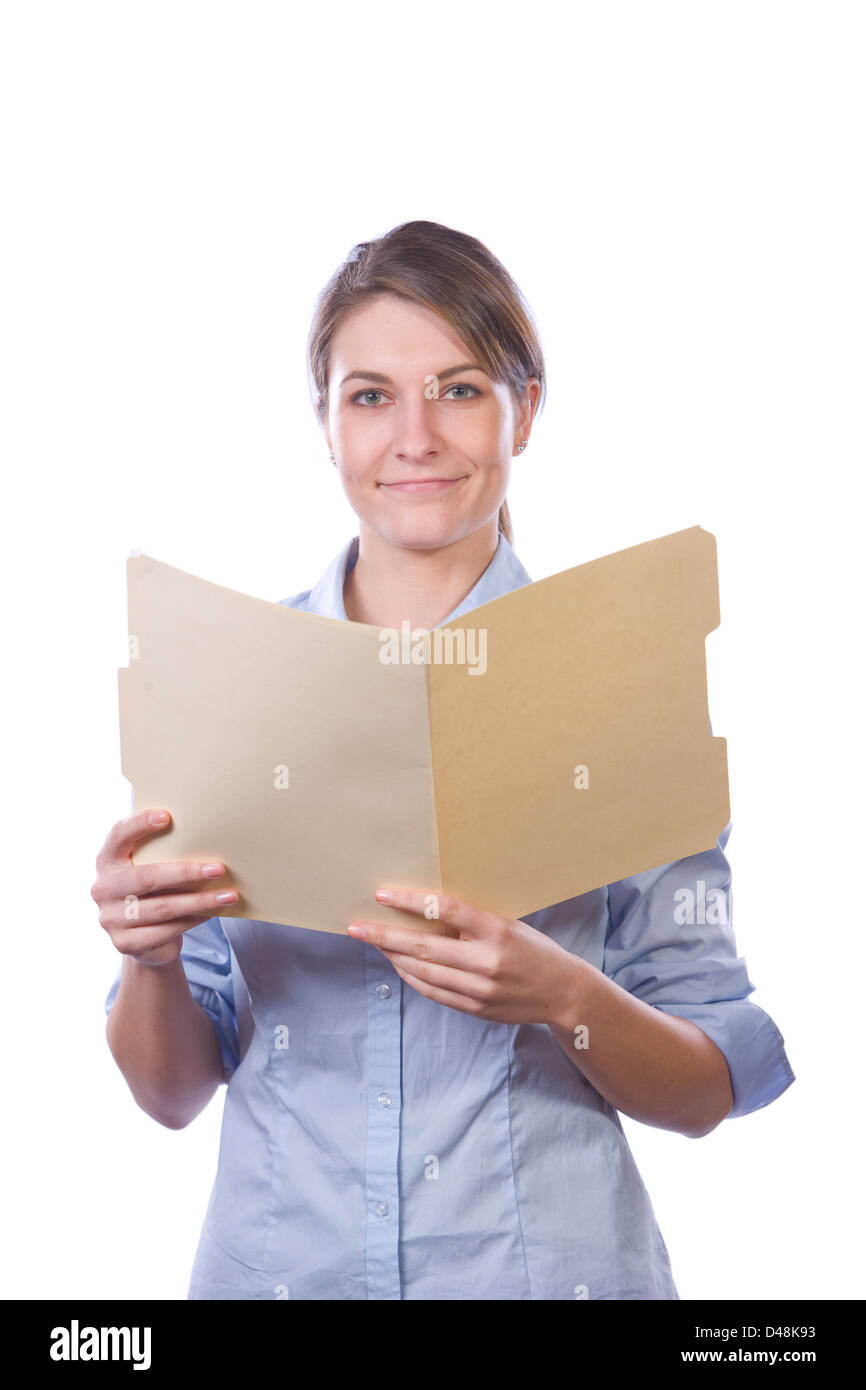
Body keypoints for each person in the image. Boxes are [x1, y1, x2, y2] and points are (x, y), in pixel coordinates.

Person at [97, 219, 795, 1300]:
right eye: (369, 395)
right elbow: (170, 1093)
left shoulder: (619, 691)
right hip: (281, 1270)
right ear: (325, 425)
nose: (413, 436)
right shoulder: (230, 688)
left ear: (525, 406)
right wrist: (148, 956)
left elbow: (709, 1083)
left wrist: (560, 992)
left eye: (458, 388)